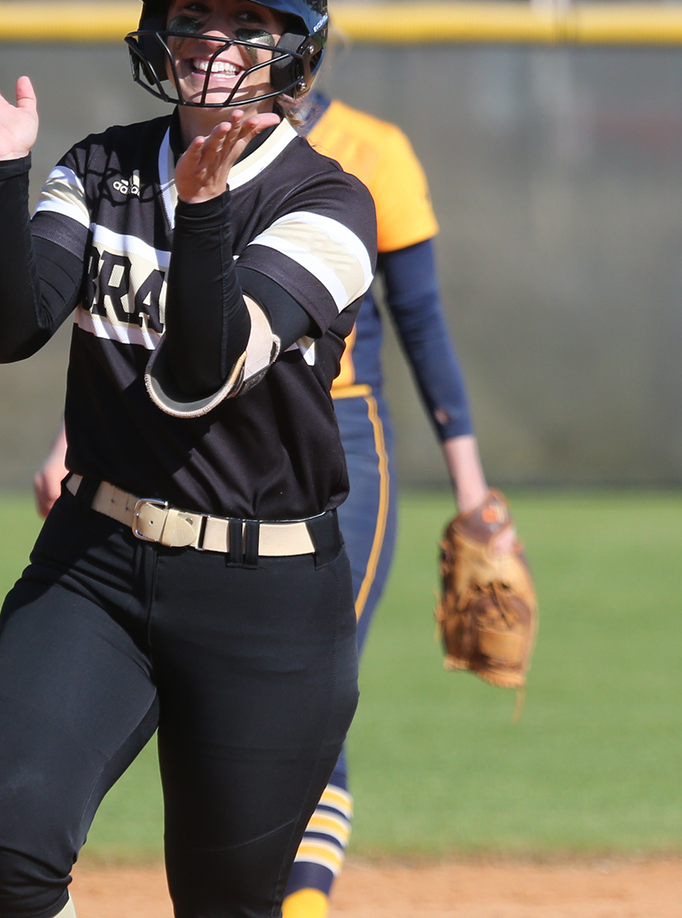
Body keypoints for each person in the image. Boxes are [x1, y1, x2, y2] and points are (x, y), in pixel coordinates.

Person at [0, 0, 378, 918]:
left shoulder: (330, 205)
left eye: (241, 19)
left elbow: (196, 379)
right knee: (11, 855)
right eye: (191, 12)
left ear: (293, 45)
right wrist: (2, 175)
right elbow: (13, 326)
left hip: (264, 598)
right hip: (96, 565)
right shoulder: (100, 169)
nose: (209, 38)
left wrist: (206, 214)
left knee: (224, 904)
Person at [34, 86, 507, 918]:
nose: (226, 39)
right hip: (168, 432)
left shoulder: (368, 151)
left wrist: (472, 490)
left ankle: (303, 905)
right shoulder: (166, 147)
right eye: (211, 15)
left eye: (258, 20)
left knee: (308, 681)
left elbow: (422, 322)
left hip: (332, 434)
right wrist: (71, 443)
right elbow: (120, 316)